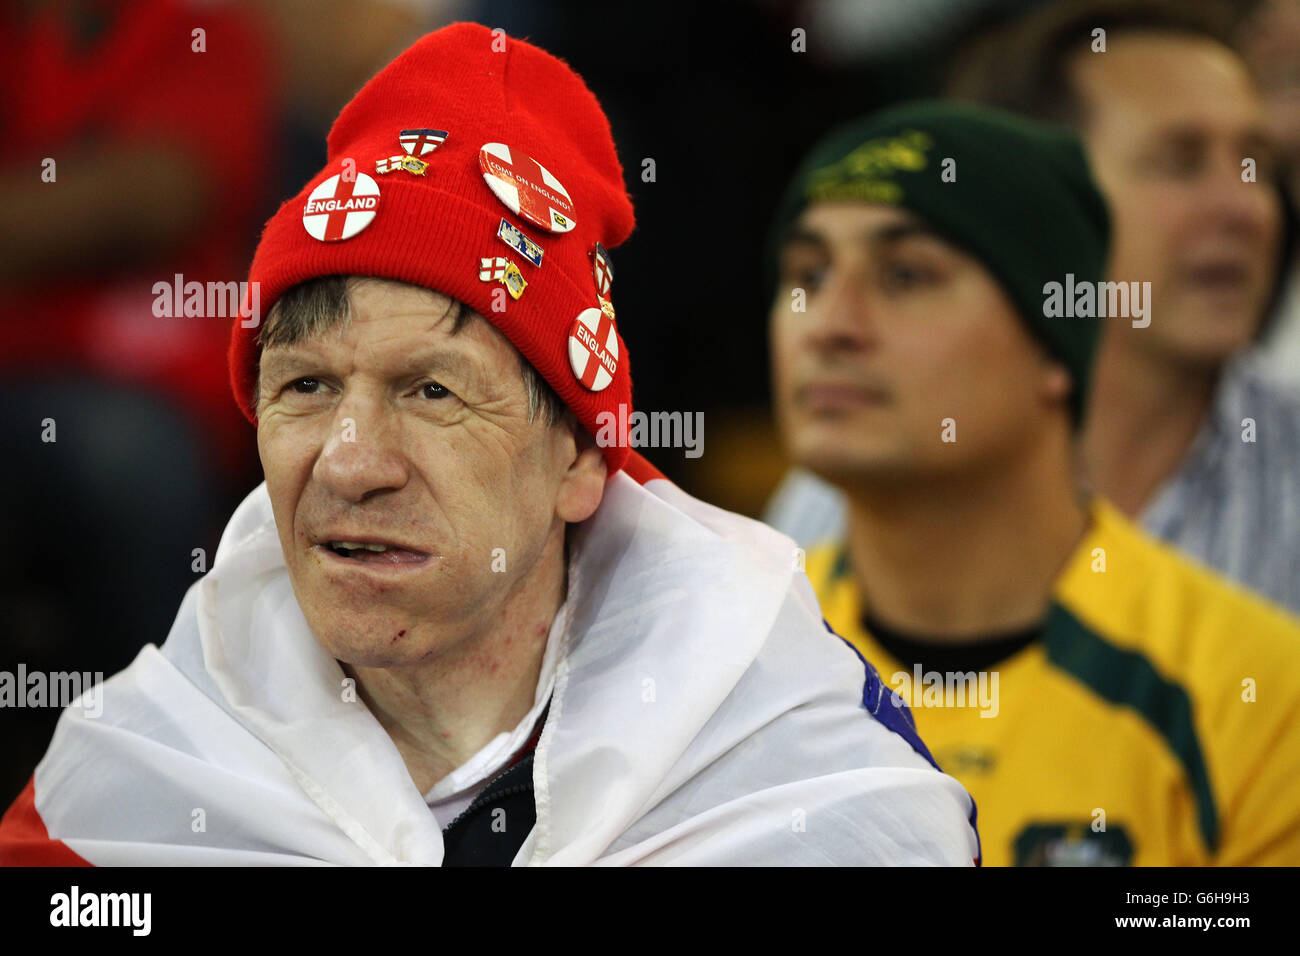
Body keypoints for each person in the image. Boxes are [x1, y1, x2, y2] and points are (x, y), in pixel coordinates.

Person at [0, 23, 979, 867]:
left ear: (582, 460)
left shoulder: (787, 756)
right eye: (304, 385)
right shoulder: (145, 767)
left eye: (430, 390)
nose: (348, 461)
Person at [767, 99, 1300, 865]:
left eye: (907, 274)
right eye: (807, 274)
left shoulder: (1257, 698)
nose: (828, 323)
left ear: (1058, 345)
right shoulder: (729, 668)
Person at [768, 0, 1300, 617]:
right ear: (1038, 209)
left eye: (1255, 166)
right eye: (1180, 161)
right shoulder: (854, 479)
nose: (1247, 211)